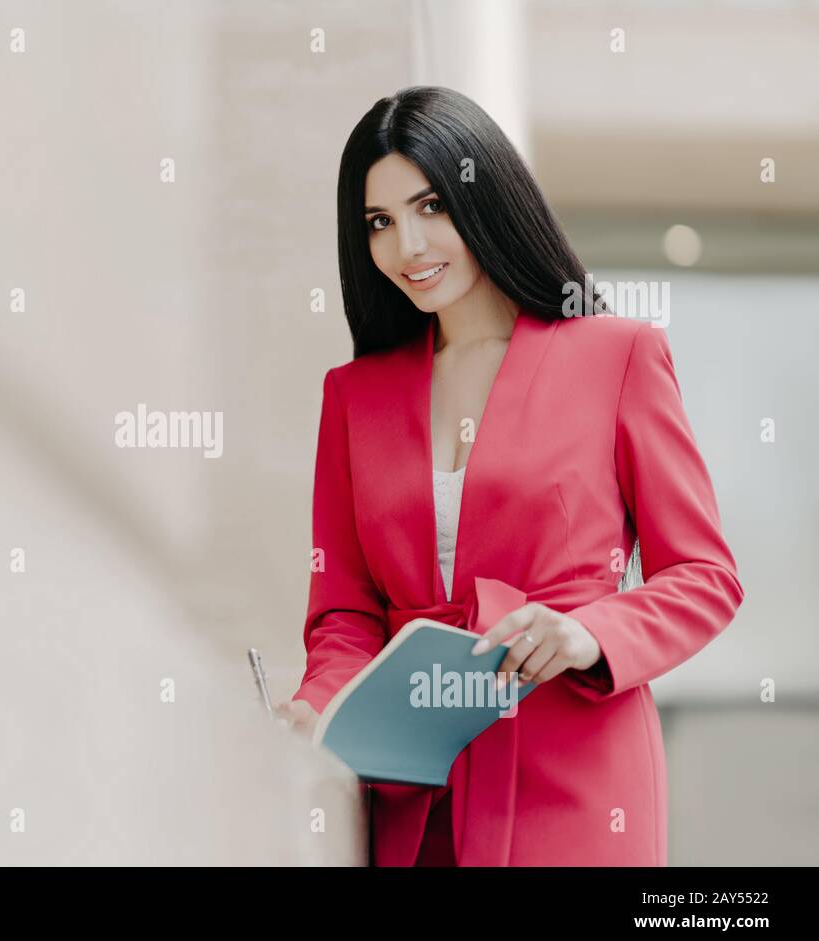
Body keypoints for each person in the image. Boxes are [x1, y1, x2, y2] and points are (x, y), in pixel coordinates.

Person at [274, 86, 743, 867]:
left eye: (430, 207)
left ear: (482, 196)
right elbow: (345, 616)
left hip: (576, 773)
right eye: (379, 224)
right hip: (414, 787)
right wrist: (315, 706)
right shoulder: (354, 397)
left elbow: (705, 576)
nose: (408, 247)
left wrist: (589, 631)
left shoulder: (615, 355)